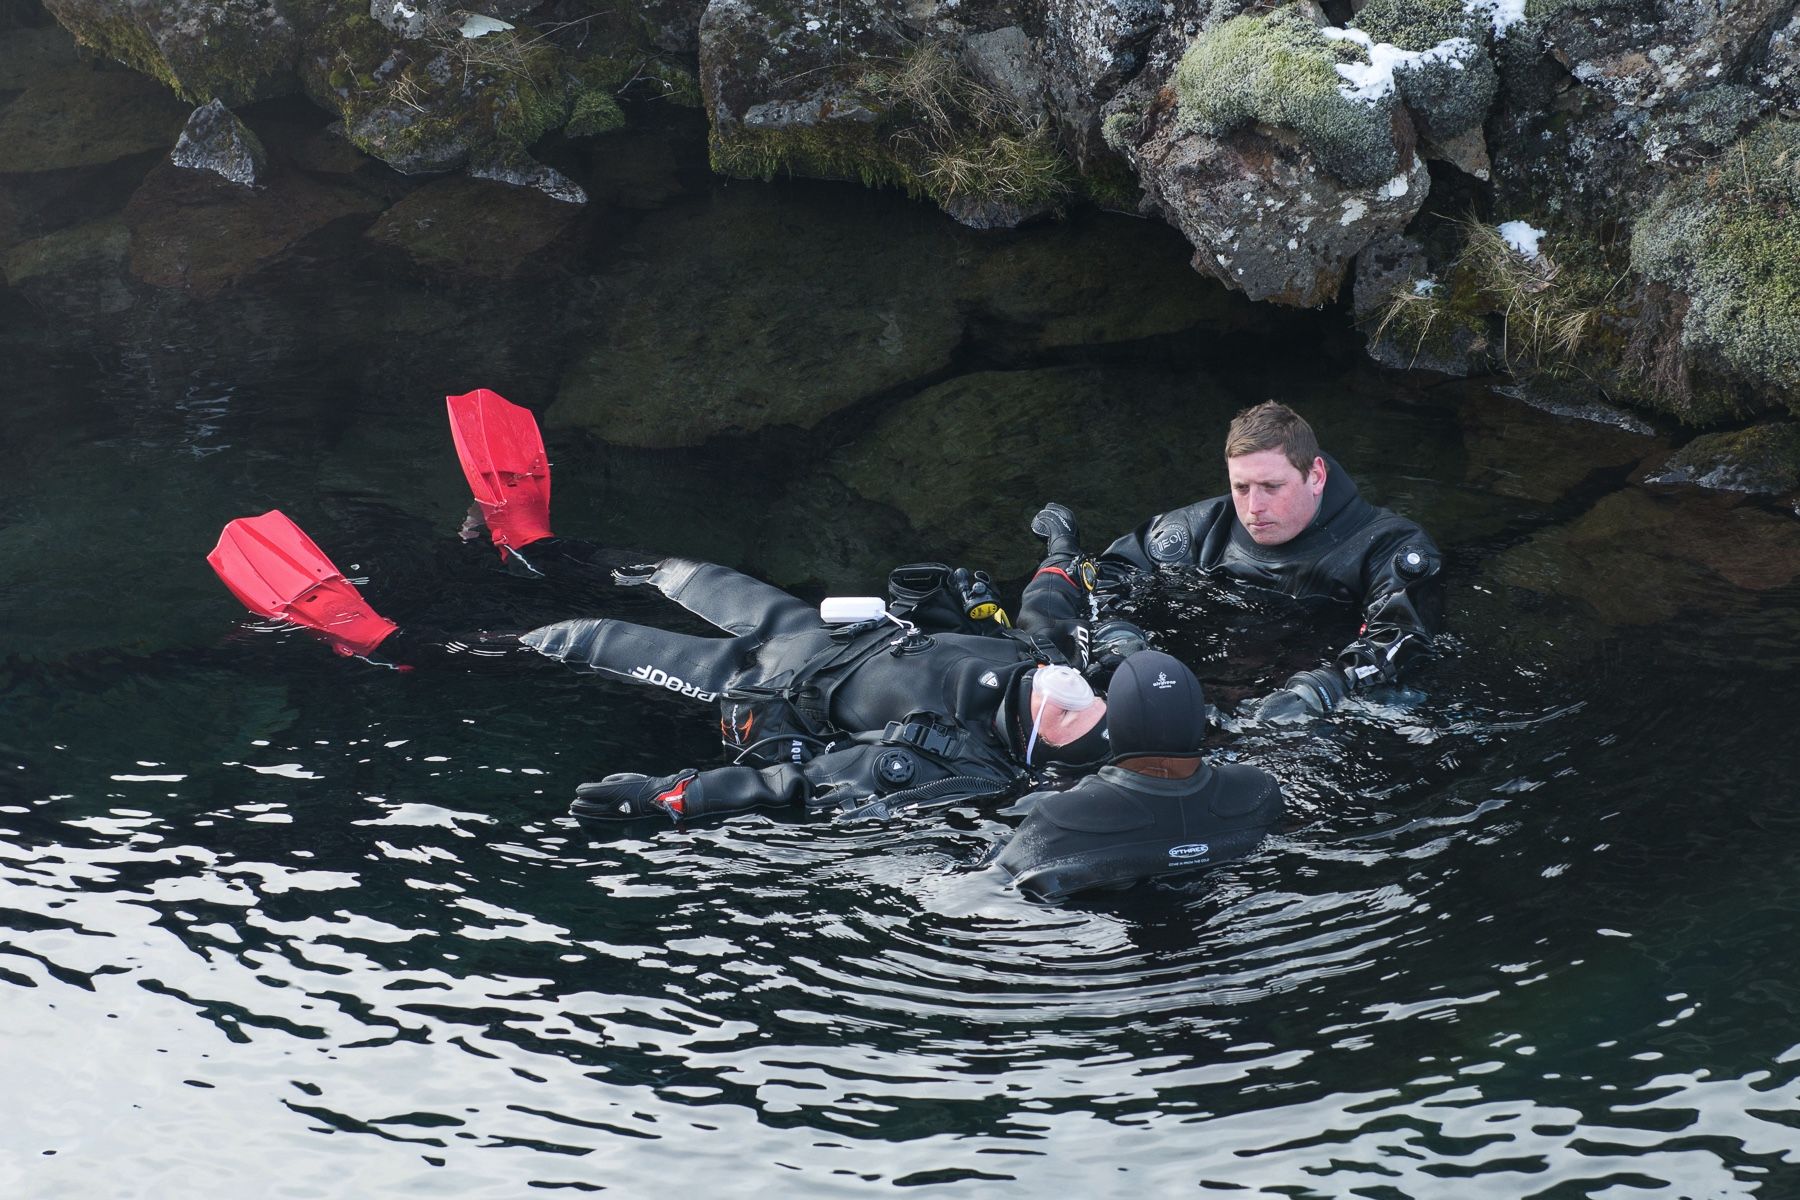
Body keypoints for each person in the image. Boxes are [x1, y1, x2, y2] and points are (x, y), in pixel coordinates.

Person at [207, 389, 1116, 826]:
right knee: (674, 572)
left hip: (766, 686)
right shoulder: (1054, 669)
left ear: (1053, 750)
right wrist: (1059, 551)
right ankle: (533, 544)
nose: (1070, 694)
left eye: (1069, 714)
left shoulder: (965, 764)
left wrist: (666, 797)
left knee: (580, 638)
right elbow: (1052, 614)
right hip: (820, 632)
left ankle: (383, 640)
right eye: (1086, 697)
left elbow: (792, 787)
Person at [1025, 401, 1442, 722]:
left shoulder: (1386, 546)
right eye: (1241, 487)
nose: (1253, 507)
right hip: (1200, 686)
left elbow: (1401, 638)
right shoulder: (1199, 530)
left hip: (1303, 707)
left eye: (1271, 487)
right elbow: (1109, 575)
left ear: (1316, 475)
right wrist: (1119, 634)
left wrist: (1326, 687)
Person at [990, 651, 1283, 901]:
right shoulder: (1256, 793)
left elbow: (996, 886)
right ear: (1197, 716)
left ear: (1116, 725)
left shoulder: (1059, 820)